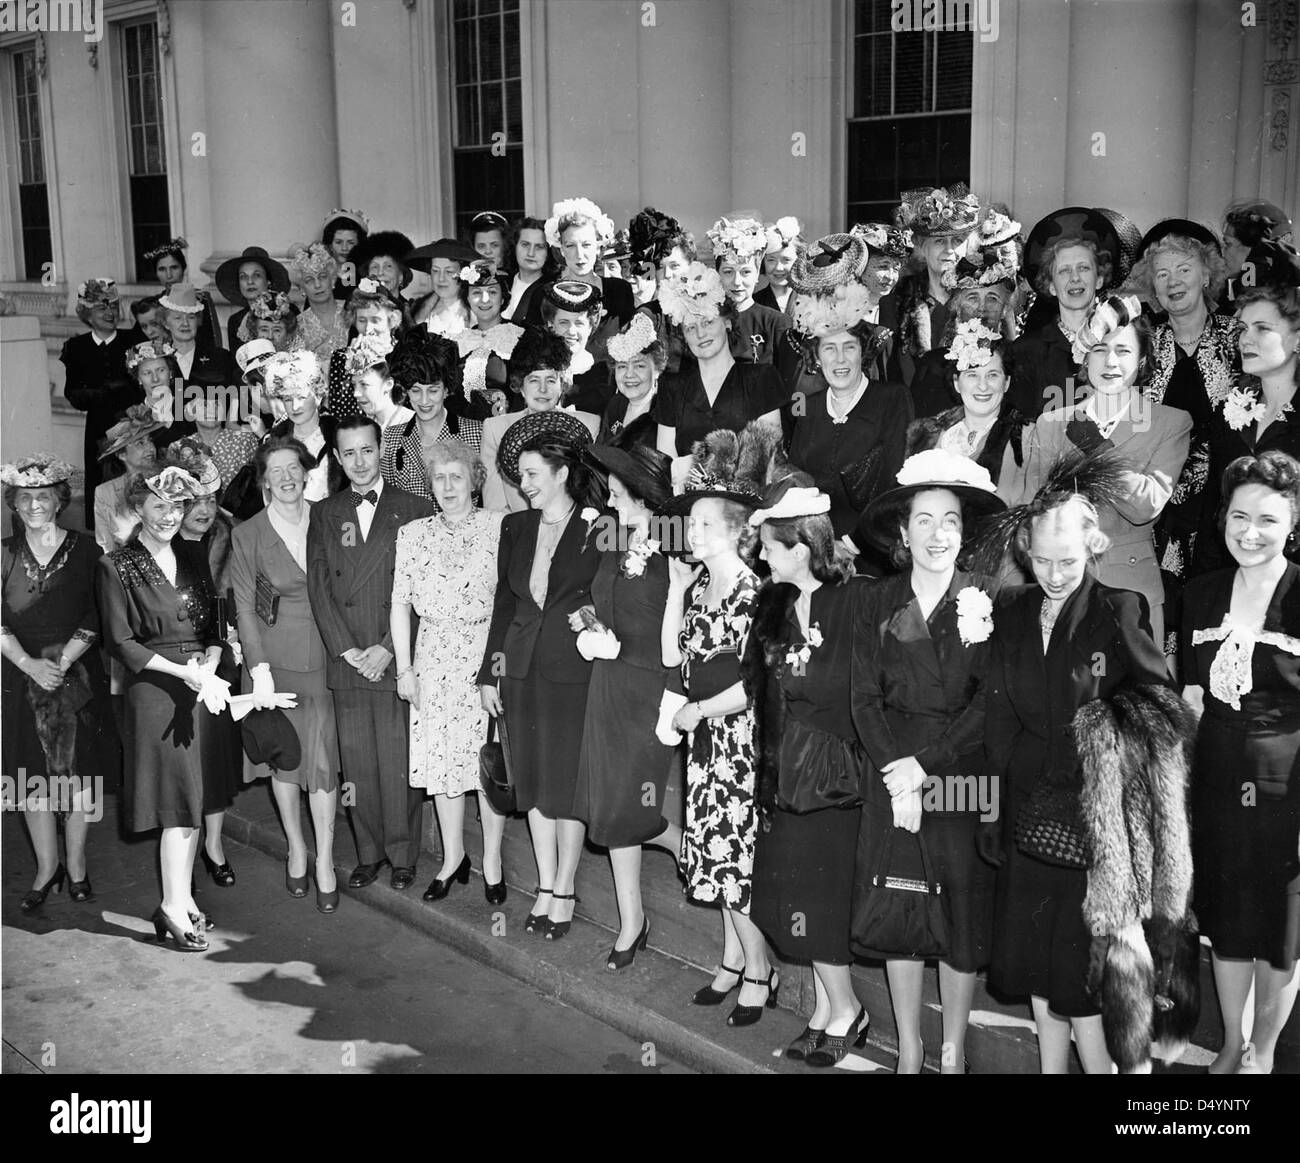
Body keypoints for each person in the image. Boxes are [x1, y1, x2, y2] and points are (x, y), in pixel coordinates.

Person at [979, 484, 1173, 1073]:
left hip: (1093, 819)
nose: (1055, 573)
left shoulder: (1119, 608)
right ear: (1023, 550)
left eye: (1068, 560)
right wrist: (990, 808)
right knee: (1039, 968)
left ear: (1092, 546)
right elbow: (997, 716)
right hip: (1025, 812)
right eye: (1041, 559)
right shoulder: (1010, 610)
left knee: (1085, 975)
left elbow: (1159, 711)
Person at [849, 451, 1006, 1073]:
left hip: (963, 775)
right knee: (902, 904)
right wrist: (897, 771)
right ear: (903, 532)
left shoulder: (988, 598)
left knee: (960, 910)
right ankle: (910, 1048)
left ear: (964, 533)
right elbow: (863, 699)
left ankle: (953, 1047)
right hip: (890, 769)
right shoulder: (877, 600)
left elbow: (990, 704)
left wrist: (925, 768)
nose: (938, 534)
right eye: (924, 520)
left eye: (950, 521)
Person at [743, 475, 872, 1064]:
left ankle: (848, 1010)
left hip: (832, 775)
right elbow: (758, 685)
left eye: (769, 546)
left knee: (819, 901)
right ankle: (825, 1008)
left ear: (799, 548)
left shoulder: (856, 600)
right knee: (790, 892)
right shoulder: (776, 602)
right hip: (783, 770)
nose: (761, 555)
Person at [1182, 451, 1300, 1074]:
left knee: (1278, 934)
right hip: (1219, 781)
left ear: (1293, 523)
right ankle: (1231, 1043)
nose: (1249, 532)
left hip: (1289, 792)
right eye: (1238, 516)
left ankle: (1265, 1053)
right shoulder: (1199, 594)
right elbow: (1192, 696)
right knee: (1227, 922)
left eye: (1268, 519)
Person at [660, 426, 776, 1024]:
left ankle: (760, 970)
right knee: (713, 858)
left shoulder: (755, 595)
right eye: (691, 524)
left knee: (736, 864)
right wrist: (677, 591)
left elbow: (751, 686)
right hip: (705, 743)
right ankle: (733, 961)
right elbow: (669, 658)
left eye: (704, 525)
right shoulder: (700, 585)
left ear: (736, 531)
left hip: (738, 744)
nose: (692, 533)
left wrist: (697, 711)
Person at [1000, 295, 1192, 651]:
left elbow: (1145, 507)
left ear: (1143, 361)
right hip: (1061, 590)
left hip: (1131, 590)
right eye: (1100, 350)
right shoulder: (1053, 422)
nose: (1111, 361)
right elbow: (1032, 515)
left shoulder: (1169, 422)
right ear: (1085, 358)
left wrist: (1096, 446)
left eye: (1123, 351)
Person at [96, 464, 233, 951]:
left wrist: (214, 657)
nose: (169, 516)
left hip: (201, 687)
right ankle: (174, 907)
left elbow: (217, 614)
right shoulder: (117, 566)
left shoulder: (193, 554)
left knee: (193, 800)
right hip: (156, 691)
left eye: (177, 506)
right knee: (177, 802)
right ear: (138, 508)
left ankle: (183, 901)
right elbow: (121, 643)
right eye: (159, 505)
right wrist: (184, 673)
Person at [478, 412, 601, 937]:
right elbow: (505, 604)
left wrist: (593, 618)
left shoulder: (600, 525)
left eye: (531, 475)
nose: (522, 485)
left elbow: (609, 596)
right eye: (521, 475)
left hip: (573, 671)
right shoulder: (515, 526)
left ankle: (566, 888)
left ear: (561, 474)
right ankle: (545, 883)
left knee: (564, 783)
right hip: (521, 668)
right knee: (530, 779)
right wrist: (489, 675)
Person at [307, 417, 435, 891]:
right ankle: (368, 852)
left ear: (381, 449)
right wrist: (347, 648)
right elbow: (319, 587)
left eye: (366, 450)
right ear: (337, 459)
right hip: (349, 658)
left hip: (394, 655)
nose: (359, 462)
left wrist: (386, 649)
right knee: (357, 764)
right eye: (349, 454)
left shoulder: (416, 507)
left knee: (399, 762)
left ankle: (403, 855)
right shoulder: (325, 512)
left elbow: (424, 588)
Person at [570, 441, 681, 968]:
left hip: (651, 688)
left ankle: (688, 848)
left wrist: (674, 695)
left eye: (618, 488)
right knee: (611, 805)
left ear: (642, 492)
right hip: (608, 680)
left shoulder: (675, 542)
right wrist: (589, 618)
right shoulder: (613, 537)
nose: (610, 496)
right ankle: (631, 920)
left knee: (628, 807)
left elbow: (679, 622)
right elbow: (603, 596)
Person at [391, 439, 507, 903]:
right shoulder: (412, 534)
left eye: (457, 476)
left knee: (485, 761)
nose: (448, 486)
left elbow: (512, 600)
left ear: (474, 480)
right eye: (439, 478)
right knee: (442, 762)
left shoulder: (500, 527)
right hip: (432, 654)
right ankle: (453, 856)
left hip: (483, 654)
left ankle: (492, 861)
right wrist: (404, 669)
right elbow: (400, 605)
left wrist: (497, 667)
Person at [231, 436, 341, 913]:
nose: (287, 477)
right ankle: (297, 847)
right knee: (285, 759)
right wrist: (258, 671)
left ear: (306, 471)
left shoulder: (329, 517)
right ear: (263, 481)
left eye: (293, 466)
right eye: (275, 470)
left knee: (322, 764)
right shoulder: (248, 534)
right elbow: (245, 609)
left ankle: (326, 860)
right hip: (274, 665)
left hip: (328, 656)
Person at [2, 454, 115, 911]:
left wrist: (63, 660)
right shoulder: (3, 552)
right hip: (19, 675)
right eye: (25, 497)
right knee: (32, 780)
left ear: (58, 501)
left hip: (78, 674)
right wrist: (29, 664)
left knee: (80, 778)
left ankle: (78, 862)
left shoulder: (88, 551)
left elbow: (99, 612)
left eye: (42, 497)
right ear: (14, 502)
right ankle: (47, 870)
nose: (34, 505)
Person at [1129, 222, 1237, 587]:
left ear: (1206, 276)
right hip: (1156, 505)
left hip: (1222, 501)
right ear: (1154, 288)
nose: (1173, 281)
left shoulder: (1235, 337)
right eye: (1162, 274)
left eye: (1184, 269)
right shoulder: (1143, 346)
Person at [783, 260, 911, 559]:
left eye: (849, 347)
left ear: (862, 352)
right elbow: (800, 482)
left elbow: (895, 483)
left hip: (874, 551)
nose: (839, 359)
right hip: (818, 549)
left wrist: (851, 545)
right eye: (829, 348)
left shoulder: (892, 400)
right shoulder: (810, 409)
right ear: (817, 356)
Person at [168, 438, 241, 890]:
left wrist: (231, 642)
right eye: (194, 499)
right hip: (176, 664)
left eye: (212, 499)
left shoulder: (230, 537)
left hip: (222, 660)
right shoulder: (158, 543)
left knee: (214, 760)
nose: (204, 508)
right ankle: (182, 857)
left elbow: (240, 598)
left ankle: (213, 846)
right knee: (182, 765)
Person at [1193, 279, 1300, 575]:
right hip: (1232, 579)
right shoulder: (1229, 412)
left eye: (1262, 328)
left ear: (1297, 339)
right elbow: (1214, 506)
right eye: (1242, 329)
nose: (1245, 340)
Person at [653, 262, 787, 459]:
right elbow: (666, 464)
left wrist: (690, 466)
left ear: (727, 322)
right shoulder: (671, 387)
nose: (700, 333)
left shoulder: (761, 379)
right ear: (683, 335)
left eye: (708, 321)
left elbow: (767, 458)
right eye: (690, 327)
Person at [1011, 210, 1122, 417]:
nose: (1075, 278)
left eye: (1084, 268)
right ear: (1051, 286)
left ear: (1099, 279)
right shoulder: (1025, 351)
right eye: (1064, 271)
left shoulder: (1123, 342)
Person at [480, 327, 600, 512]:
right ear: (520, 385)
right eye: (534, 380)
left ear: (562, 384)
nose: (543, 390)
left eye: (551, 381)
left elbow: (591, 497)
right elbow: (494, 506)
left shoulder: (589, 425)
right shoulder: (496, 429)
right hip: (518, 531)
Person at [905, 321, 1028, 486]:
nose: (983, 386)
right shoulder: (924, 435)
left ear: (1006, 382)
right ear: (956, 383)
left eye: (992, 375)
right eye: (972, 375)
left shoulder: (1026, 438)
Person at [61, 278, 140, 530]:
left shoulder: (132, 340)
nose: (109, 313)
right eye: (101, 308)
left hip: (132, 424)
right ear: (87, 314)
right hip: (97, 427)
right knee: (102, 483)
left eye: (113, 307)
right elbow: (73, 393)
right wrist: (100, 394)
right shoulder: (77, 347)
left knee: (132, 481)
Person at [893, 185, 982, 386]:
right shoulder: (900, 297)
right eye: (940, 241)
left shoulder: (983, 296)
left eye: (958, 240)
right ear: (921, 247)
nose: (950, 250)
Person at [908, 259, 1018, 419]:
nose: (982, 307)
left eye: (992, 298)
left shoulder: (1021, 359)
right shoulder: (933, 365)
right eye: (972, 298)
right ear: (957, 307)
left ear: (1005, 309)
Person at [384, 331, 484, 503]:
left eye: (433, 390)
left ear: (446, 390)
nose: (424, 400)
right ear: (406, 391)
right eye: (416, 391)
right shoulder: (392, 438)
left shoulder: (476, 434)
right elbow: (390, 503)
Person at [515, 197, 635, 331]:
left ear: (597, 246)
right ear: (562, 249)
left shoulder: (619, 290)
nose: (579, 254)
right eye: (571, 245)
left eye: (586, 245)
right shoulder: (544, 295)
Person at [707, 216, 793, 373]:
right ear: (717, 274)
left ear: (757, 274)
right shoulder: (704, 322)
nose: (737, 281)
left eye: (746, 272)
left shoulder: (777, 324)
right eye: (728, 272)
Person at [264, 350, 343, 503]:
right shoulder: (274, 439)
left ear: (318, 396)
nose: (295, 406)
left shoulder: (338, 436)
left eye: (301, 397)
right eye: (288, 399)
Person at [325, 278, 407, 422]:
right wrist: (352, 365)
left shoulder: (407, 355)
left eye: (375, 320)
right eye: (362, 320)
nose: (368, 329)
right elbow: (341, 413)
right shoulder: (341, 357)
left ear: (392, 320)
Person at [93, 403, 163, 552]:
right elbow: (107, 544)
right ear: (121, 455)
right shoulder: (104, 492)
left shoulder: (167, 482)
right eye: (140, 443)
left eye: (150, 440)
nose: (150, 447)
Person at [540, 279, 613, 415]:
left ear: (591, 326)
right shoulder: (536, 368)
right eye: (564, 322)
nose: (572, 331)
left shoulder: (605, 372)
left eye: (579, 323)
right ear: (551, 324)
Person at [143, 236, 223, 352]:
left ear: (183, 268)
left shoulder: (200, 299)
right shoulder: (153, 303)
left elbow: (213, 340)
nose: (169, 275)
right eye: (162, 269)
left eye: (174, 268)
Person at [599, 313, 666, 447]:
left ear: (657, 369)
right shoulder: (616, 405)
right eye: (622, 366)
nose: (629, 375)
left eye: (639, 366)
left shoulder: (666, 411)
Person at [215, 246, 291, 353]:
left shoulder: (285, 310)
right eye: (243, 277)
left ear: (268, 281)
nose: (250, 281)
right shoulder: (236, 320)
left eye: (257, 275)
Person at [288, 243, 347, 361]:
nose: (317, 285)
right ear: (301, 288)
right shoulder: (298, 326)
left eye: (322, 276)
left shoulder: (352, 309)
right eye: (309, 280)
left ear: (333, 279)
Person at [408, 237, 477, 336]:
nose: (441, 278)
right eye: (435, 270)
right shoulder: (418, 309)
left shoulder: (476, 310)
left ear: (463, 274)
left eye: (449, 272)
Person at [504, 215, 559, 321]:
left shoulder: (552, 291)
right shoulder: (503, 282)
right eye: (525, 245)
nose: (531, 253)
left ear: (548, 253)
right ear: (514, 246)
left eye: (539, 247)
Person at [756, 216, 802, 314]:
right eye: (771, 260)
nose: (778, 268)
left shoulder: (813, 300)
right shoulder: (755, 302)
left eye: (786, 260)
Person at [321, 207, 370, 299]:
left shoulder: (366, 275)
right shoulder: (320, 275)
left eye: (351, 243)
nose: (344, 248)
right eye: (338, 242)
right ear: (330, 244)